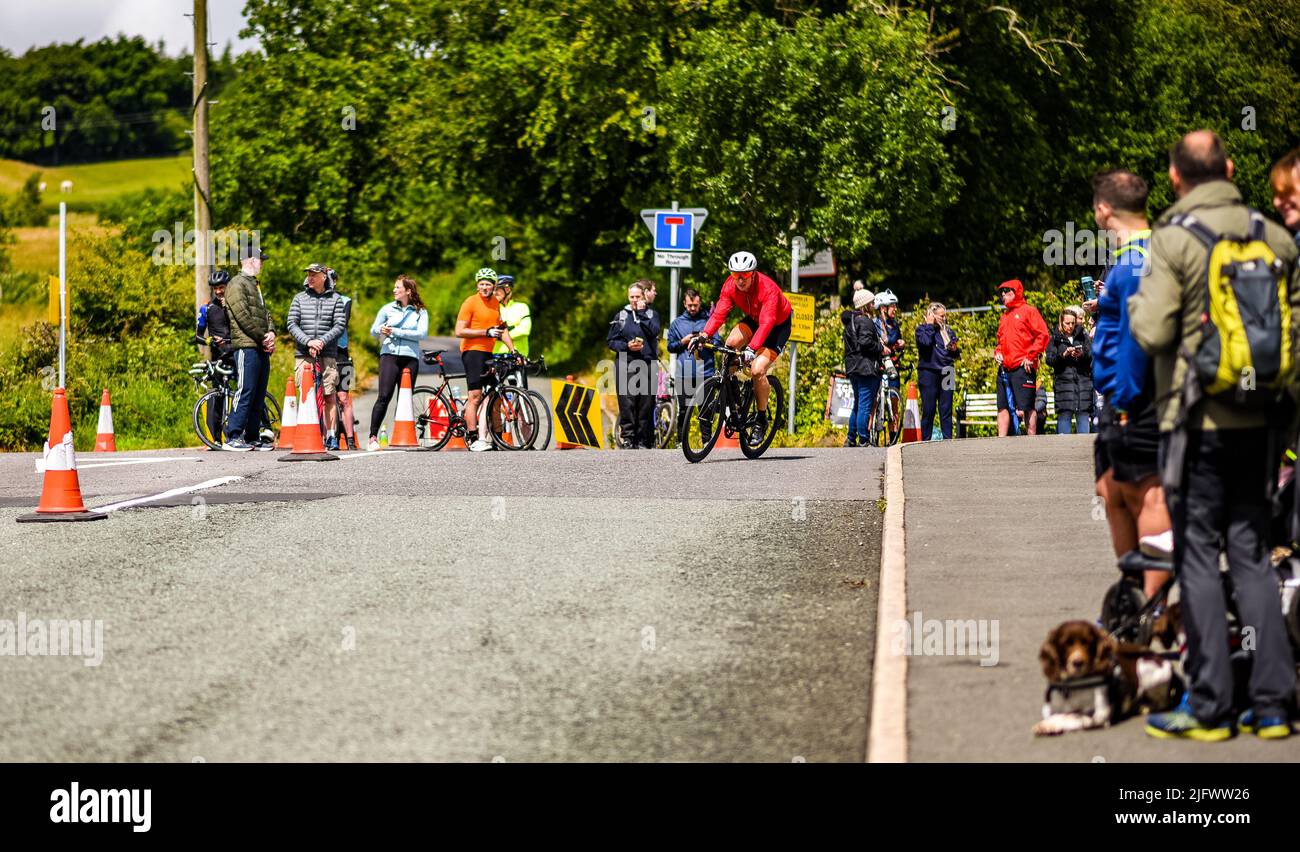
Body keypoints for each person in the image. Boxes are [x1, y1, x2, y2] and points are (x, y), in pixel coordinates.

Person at [1131, 130, 1298, 741]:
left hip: (1197, 421)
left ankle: (1209, 707)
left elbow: (1150, 333)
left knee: (1198, 556)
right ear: (1230, 168)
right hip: (1263, 423)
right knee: (1252, 552)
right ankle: (1275, 705)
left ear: (1176, 179)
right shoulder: (1275, 236)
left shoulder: (1173, 239)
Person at [1088, 168, 1170, 601]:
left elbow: (1142, 337)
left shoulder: (1138, 260)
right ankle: (1134, 584)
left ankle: (1150, 603)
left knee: (1146, 491)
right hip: (1123, 394)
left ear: (1104, 209)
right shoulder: (1137, 255)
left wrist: (1125, 399)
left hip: (1137, 396)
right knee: (1110, 485)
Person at [684, 251, 793, 442]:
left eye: (744, 276)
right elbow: (719, 315)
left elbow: (767, 323)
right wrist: (703, 335)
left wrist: (751, 349)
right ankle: (732, 391)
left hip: (777, 326)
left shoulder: (768, 289)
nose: (739, 280)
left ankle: (760, 420)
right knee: (730, 344)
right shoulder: (730, 286)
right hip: (754, 320)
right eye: (735, 275)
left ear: (753, 274)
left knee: (757, 370)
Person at [455, 268, 516, 452]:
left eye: (488, 284)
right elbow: (459, 331)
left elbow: (502, 328)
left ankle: (497, 438)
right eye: (481, 284)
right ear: (477, 285)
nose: (484, 287)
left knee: (495, 395)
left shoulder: (495, 304)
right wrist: (485, 332)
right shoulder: (470, 302)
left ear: (493, 286)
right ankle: (473, 438)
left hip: (488, 353)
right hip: (472, 351)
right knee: (475, 396)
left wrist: (514, 350)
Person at [287, 263, 346, 450]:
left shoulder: (336, 299)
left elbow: (339, 325)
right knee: (306, 395)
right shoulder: (299, 298)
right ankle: (306, 434)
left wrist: (321, 341)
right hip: (304, 354)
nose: (310, 278)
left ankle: (331, 436)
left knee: (329, 395)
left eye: (314, 274)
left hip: (327, 354)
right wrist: (308, 342)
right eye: (309, 274)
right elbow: (292, 324)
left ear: (324, 277)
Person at [222, 247, 276, 452]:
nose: (262, 263)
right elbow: (242, 315)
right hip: (246, 346)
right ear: (251, 260)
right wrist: (263, 337)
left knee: (258, 393)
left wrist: (272, 332)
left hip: (259, 346)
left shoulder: (255, 285)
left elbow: (265, 313)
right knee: (245, 390)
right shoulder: (237, 284)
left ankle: (252, 436)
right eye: (261, 260)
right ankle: (233, 435)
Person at [368, 275, 430, 451]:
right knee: (384, 396)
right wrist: (380, 329)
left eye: (397, 288)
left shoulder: (421, 311)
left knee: (404, 399)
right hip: (389, 355)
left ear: (408, 291)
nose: (394, 290)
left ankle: (400, 435)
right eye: (394, 287)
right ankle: (373, 437)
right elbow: (373, 331)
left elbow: (422, 334)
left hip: (410, 357)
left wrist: (396, 331)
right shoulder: (387, 309)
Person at [606, 281, 661, 449]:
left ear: (643, 296)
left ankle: (644, 440)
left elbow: (654, 331)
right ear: (628, 297)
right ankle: (629, 438)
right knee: (627, 402)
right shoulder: (621, 316)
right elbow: (611, 341)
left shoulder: (651, 314)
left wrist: (642, 313)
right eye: (632, 297)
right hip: (625, 363)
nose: (635, 300)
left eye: (638, 296)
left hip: (647, 363)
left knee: (646, 403)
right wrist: (626, 346)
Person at [993, 279, 1050, 436]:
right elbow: (1000, 341)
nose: (1003, 295)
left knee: (1027, 407)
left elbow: (1043, 335)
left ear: (1016, 292)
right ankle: (1001, 441)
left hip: (1023, 368)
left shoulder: (1029, 311)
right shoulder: (1004, 317)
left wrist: (1031, 356)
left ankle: (1031, 441)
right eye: (1001, 293)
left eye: (1006, 292)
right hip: (1004, 369)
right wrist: (997, 353)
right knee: (1002, 406)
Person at [665, 287, 722, 437]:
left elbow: (718, 343)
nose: (692, 308)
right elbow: (670, 347)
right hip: (685, 374)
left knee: (706, 411)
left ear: (699, 302)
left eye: (695, 305)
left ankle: (706, 441)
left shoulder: (708, 322)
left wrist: (707, 340)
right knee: (684, 410)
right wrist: (683, 342)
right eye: (690, 305)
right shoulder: (676, 323)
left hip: (706, 373)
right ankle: (680, 441)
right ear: (684, 303)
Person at [841, 289, 884, 447]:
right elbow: (865, 343)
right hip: (865, 367)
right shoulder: (864, 321)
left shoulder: (851, 321)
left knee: (858, 403)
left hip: (853, 367)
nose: (874, 305)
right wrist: (880, 348)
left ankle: (851, 438)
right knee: (865, 405)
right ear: (865, 304)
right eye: (872, 302)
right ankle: (864, 439)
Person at [196, 269, 234, 445]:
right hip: (218, 357)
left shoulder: (234, 305)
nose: (218, 291)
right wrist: (210, 341)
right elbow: (197, 336)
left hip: (236, 353)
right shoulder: (206, 308)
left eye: (221, 287)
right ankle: (215, 439)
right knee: (216, 397)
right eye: (215, 288)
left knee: (245, 392)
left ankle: (255, 431)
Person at [1044, 308, 1093, 434]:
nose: (1070, 326)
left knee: (1083, 418)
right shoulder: (1055, 338)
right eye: (1067, 323)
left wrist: (1081, 354)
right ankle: (1063, 451)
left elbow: (1092, 355)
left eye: (1073, 323)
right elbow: (1049, 360)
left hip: (1083, 384)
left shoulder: (1083, 336)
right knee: (1064, 418)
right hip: (1063, 386)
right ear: (1061, 322)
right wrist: (1063, 354)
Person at [915, 302, 959, 440]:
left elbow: (956, 354)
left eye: (944, 316)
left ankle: (947, 439)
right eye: (941, 316)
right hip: (929, 372)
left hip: (947, 371)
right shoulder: (921, 329)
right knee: (929, 409)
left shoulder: (948, 330)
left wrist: (954, 349)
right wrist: (929, 325)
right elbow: (926, 343)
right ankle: (925, 439)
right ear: (931, 315)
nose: (943, 319)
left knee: (946, 409)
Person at [328, 267, 359, 451]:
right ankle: (329, 436)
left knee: (344, 398)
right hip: (325, 353)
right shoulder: (316, 300)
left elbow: (342, 323)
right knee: (327, 397)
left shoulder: (345, 300)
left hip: (342, 353)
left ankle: (350, 439)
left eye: (332, 280)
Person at [492, 274, 532, 358]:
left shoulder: (522, 307)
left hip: (519, 355)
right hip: (496, 355)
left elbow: (524, 330)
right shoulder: (490, 309)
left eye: (496, 289)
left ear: (507, 289)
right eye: (493, 290)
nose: (494, 293)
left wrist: (500, 336)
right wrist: (512, 329)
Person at [874, 289, 905, 390]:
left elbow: (898, 342)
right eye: (892, 306)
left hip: (893, 365)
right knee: (876, 398)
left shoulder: (895, 324)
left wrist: (901, 344)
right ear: (883, 308)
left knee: (894, 395)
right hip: (879, 366)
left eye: (895, 305)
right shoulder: (875, 324)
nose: (895, 309)